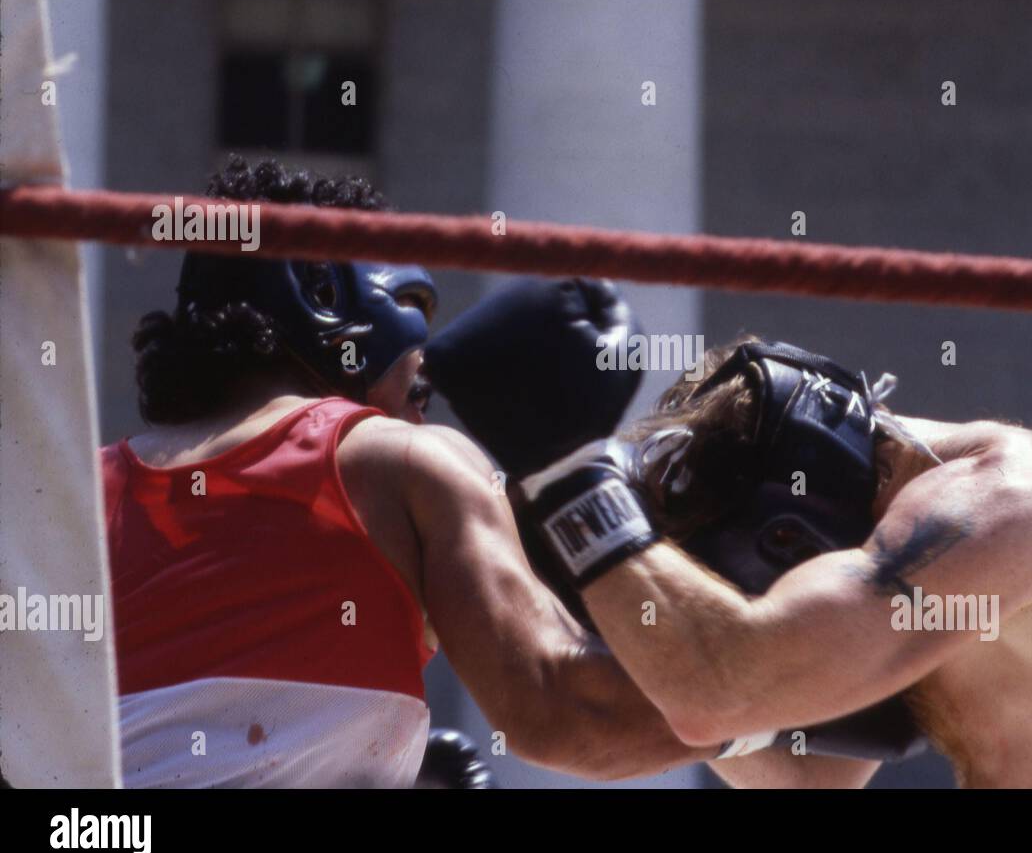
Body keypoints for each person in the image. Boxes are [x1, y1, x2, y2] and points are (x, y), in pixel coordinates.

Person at [102, 156, 707, 787]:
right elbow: (563, 709)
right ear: (331, 299)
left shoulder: (74, 496)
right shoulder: (404, 463)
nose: (426, 374)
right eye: (416, 310)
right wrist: (780, 688)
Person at [461, 335, 1032, 788]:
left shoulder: (1010, 507)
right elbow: (798, 781)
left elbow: (727, 684)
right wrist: (571, 572)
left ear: (791, 533)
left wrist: (573, 484)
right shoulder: (890, 568)